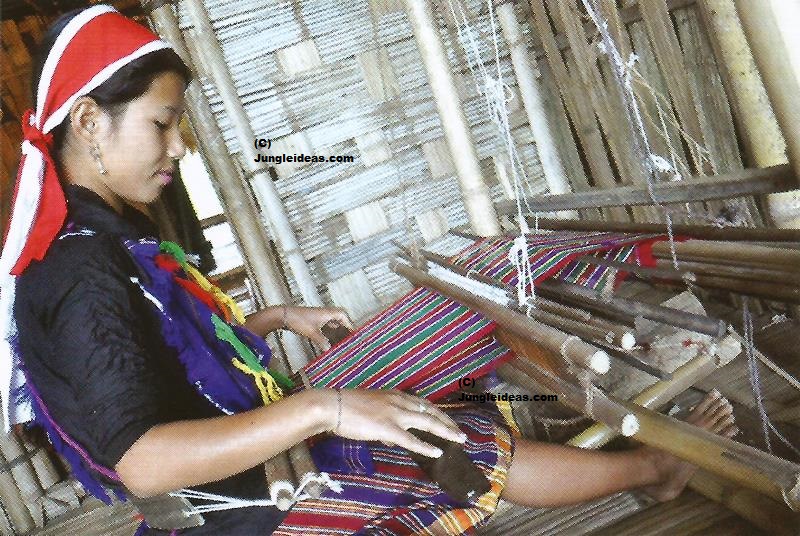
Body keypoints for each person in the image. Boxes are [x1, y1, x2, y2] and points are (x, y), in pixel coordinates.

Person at [0, 6, 738, 535]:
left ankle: (645, 468)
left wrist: (280, 320)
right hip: (235, 512)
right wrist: (326, 408)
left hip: (235, 477)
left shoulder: (101, 241)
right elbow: (142, 460)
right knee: (431, 436)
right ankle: (652, 471)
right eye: (162, 123)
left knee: (410, 413)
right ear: (91, 122)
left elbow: (170, 362)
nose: (180, 145)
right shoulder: (79, 270)